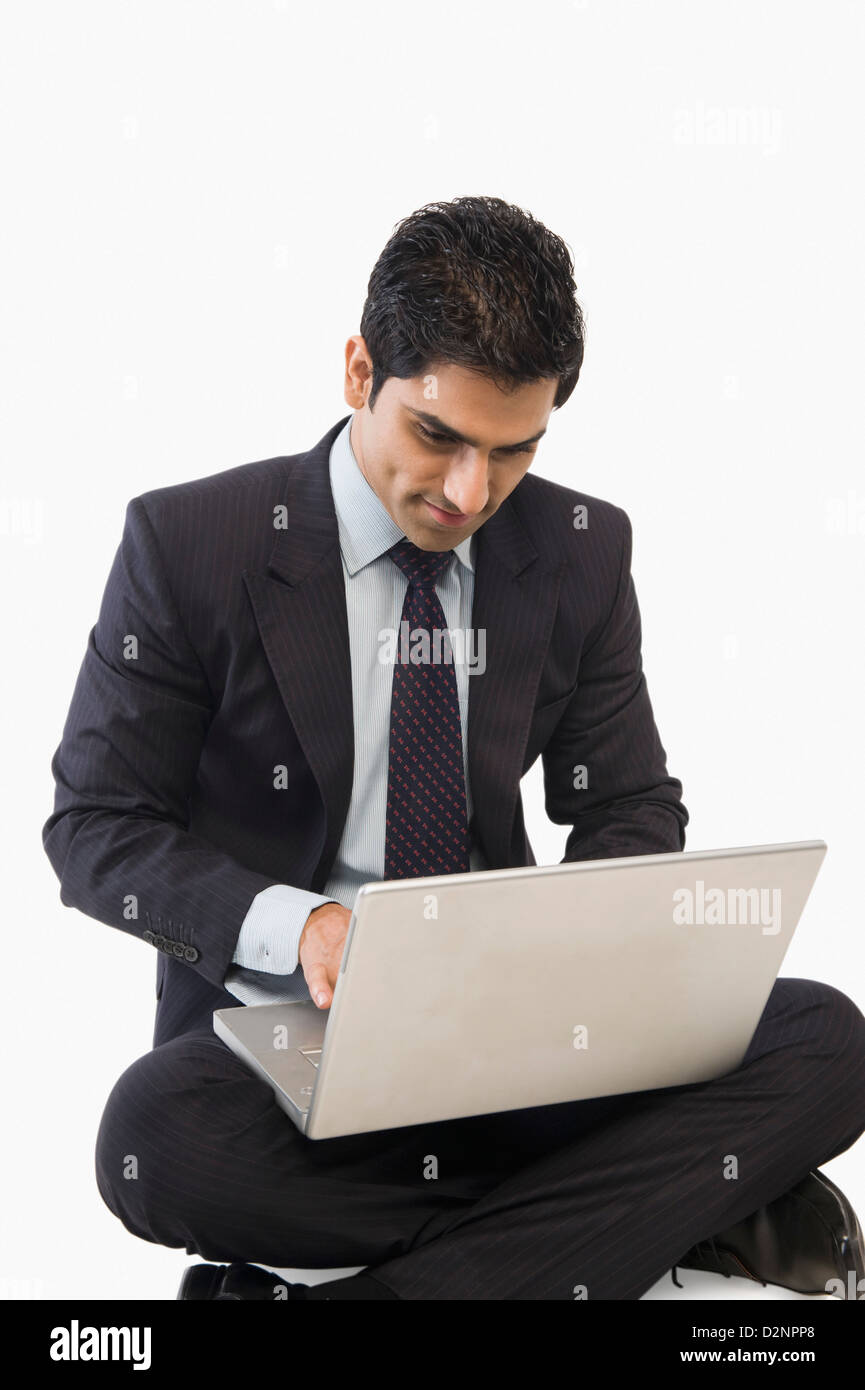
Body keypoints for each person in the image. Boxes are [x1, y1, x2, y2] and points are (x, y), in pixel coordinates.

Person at [43, 195, 865, 1300]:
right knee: (151, 1138)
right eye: (437, 436)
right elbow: (95, 828)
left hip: (522, 1034)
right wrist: (306, 928)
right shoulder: (192, 545)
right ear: (357, 370)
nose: (469, 493)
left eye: (512, 450)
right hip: (295, 1042)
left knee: (827, 1037)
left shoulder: (577, 551)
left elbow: (626, 802)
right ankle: (630, 1228)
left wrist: (587, 951)